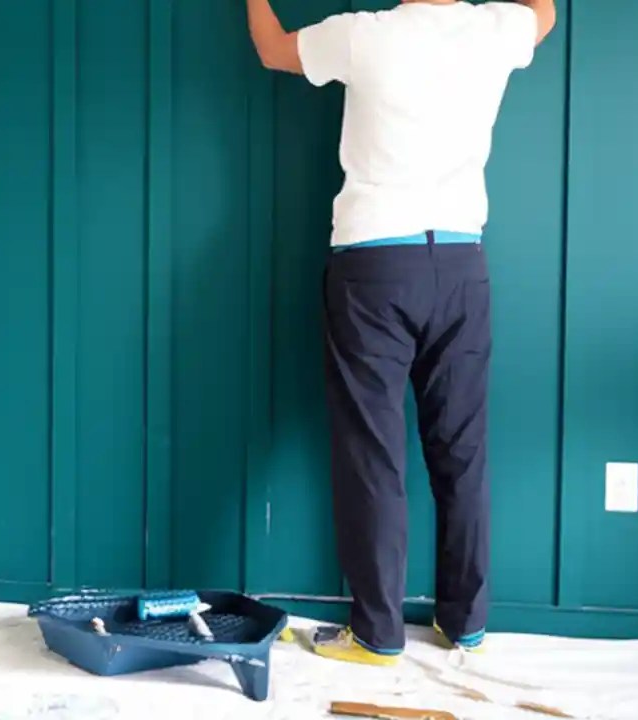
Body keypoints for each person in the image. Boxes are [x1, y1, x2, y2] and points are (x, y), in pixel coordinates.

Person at [245, 0, 557, 666]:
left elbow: (271, 48)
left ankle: (378, 633)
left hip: (374, 265)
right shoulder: (496, 29)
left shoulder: (362, 34)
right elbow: (545, 14)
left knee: (372, 453)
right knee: (462, 451)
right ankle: (465, 624)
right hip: (461, 262)